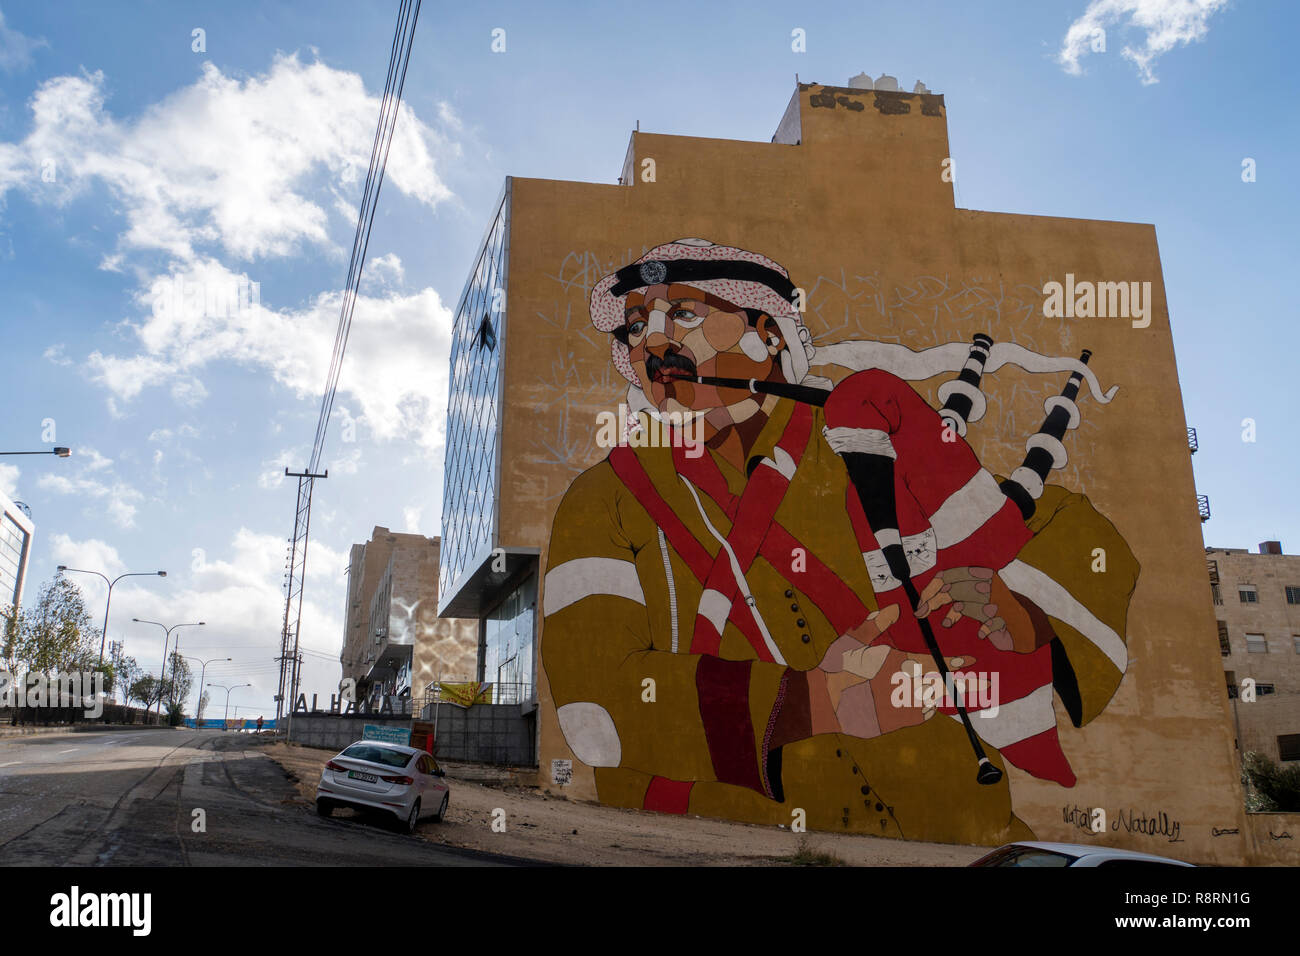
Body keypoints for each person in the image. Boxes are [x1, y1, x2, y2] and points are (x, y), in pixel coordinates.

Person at [541, 239, 1137, 844]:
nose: (653, 342)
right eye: (636, 327)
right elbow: (593, 707)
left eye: (687, 314)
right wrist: (812, 703)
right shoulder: (605, 496)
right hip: (707, 843)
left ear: (769, 333)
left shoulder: (866, 433)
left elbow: (1077, 532)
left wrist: (1023, 610)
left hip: (952, 834)